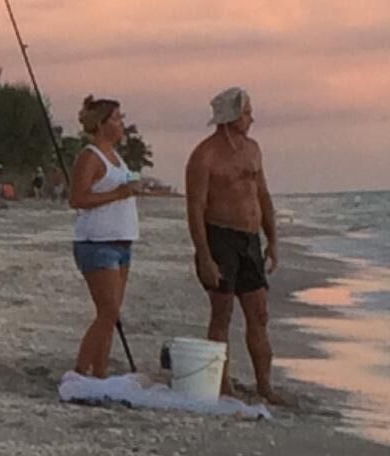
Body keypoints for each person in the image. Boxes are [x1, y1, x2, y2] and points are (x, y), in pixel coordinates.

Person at [184, 87, 279, 403]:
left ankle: (265, 384)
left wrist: (272, 240)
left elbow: (262, 195)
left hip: (250, 239)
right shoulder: (204, 156)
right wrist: (204, 255)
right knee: (222, 314)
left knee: (259, 313)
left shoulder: (253, 150)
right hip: (220, 238)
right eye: (247, 113)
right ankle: (221, 384)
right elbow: (195, 209)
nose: (252, 119)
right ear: (232, 117)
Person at [66, 95, 170, 379]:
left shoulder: (116, 157)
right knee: (108, 312)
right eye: (116, 118)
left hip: (122, 242)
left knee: (110, 314)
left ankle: (100, 373)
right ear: (101, 124)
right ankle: (79, 372)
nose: (122, 123)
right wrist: (120, 193)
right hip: (97, 243)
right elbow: (77, 198)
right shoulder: (90, 156)